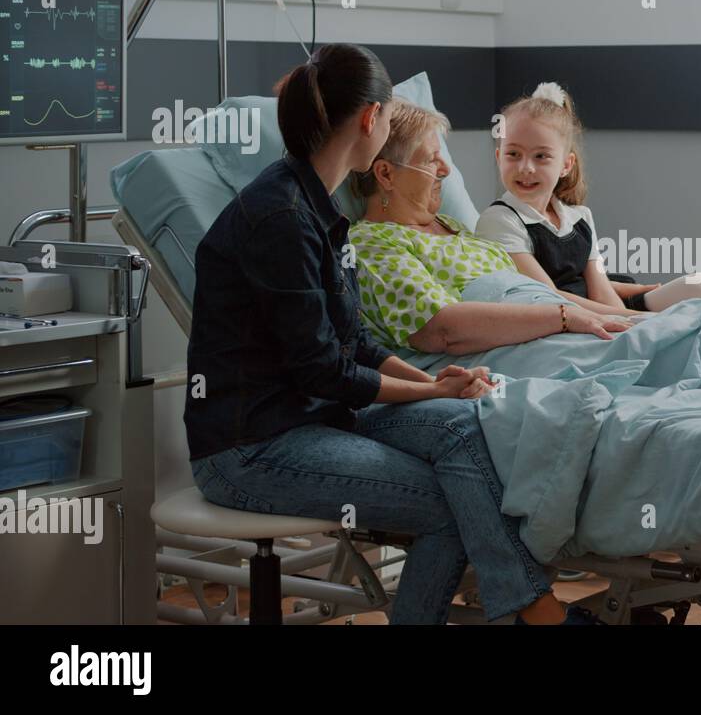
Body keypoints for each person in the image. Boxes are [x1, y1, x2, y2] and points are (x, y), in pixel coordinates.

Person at [185, 43, 595, 624]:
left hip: (318, 416)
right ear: (371, 121)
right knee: (447, 506)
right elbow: (323, 371)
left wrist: (440, 386)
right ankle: (534, 608)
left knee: (463, 425)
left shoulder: (321, 212)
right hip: (253, 447)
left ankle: (525, 607)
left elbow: (354, 346)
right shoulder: (280, 219)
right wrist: (428, 391)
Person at [348, 99, 635, 355]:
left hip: (553, 328)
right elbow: (441, 330)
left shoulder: (453, 226)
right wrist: (564, 317)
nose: (445, 170)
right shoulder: (371, 242)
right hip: (525, 347)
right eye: (431, 160)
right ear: (386, 174)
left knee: (668, 332)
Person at [474, 82, 701, 314]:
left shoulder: (579, 218)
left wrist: (629, 314)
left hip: (604, 311)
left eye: (541, 156)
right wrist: (640, 322)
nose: (526, 167)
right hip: (565, 319)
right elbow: (546, 297)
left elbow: (600, 288)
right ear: (499, 158)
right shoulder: (499, 220)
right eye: (513, 155)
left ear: (566, 165)